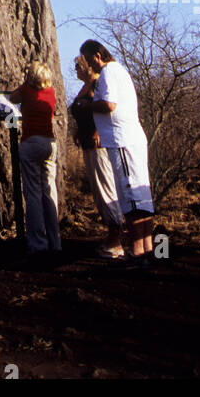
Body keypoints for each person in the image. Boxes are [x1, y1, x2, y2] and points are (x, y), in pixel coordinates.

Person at [74, 40, 155, 263]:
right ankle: (147, 250)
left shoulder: (109, 72)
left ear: (99, 55)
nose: (92, 66)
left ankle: (137, 252)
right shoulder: (120, 71)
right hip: (131, 139)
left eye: (91, 61)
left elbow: (109, 105)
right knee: (141, 196)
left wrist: (87, 106)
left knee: (131, 197)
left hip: (122, 141)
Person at [70, 54, 125, 258]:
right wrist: (79, 131)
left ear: (89, 67)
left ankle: (116, 239)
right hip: (86, 144)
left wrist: (98, 132)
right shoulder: (85, 88)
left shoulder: (98, 85)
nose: (76, 69)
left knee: (106, 189)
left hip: (99, 145)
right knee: (98, 191)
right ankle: (112, 234)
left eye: (79, 66)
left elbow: (107, 109)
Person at [6, 60, 61, 256]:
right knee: (49, 192)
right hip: (50, 143)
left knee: (34, 194)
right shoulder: (52, 92)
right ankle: (55, 241)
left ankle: (38, 243)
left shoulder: (26, 90)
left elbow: (11, 99)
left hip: (31, 142)